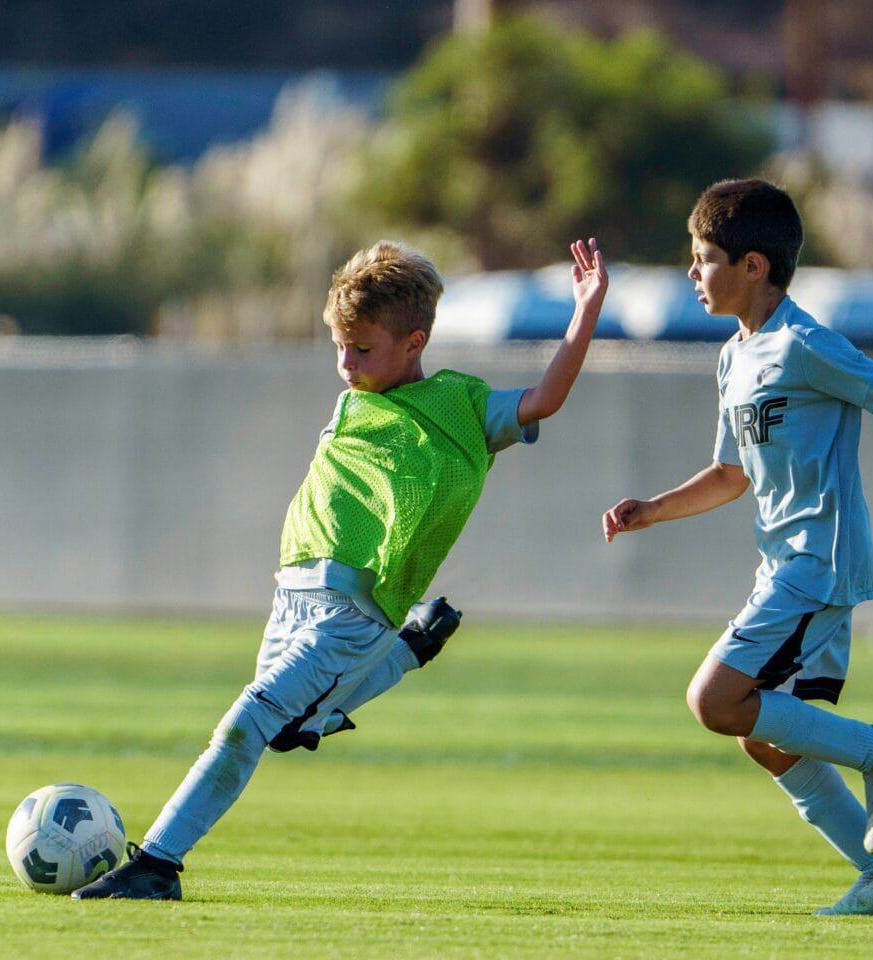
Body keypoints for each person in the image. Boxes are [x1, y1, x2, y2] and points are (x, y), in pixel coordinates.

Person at [74, 238, 609, 900]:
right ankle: (408, 651)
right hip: (290, 597)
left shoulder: (462, 406)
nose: (345, 364)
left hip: (353, 612)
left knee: (247, 724)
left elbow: (546, 398)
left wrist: (584, 312)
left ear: (414, 343)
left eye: (362, 349)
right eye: (339, 347)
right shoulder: (352, 403)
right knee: (287, 727)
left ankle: (157, 865)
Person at [602, 179, 873, 916]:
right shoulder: (735, 357)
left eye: (706, 258)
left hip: (813, 571)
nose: (694, 273)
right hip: (787, 569)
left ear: (754, 266)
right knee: (773, 742)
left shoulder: (805, 343)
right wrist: (653, 510)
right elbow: (731, 474)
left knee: (715, 701)